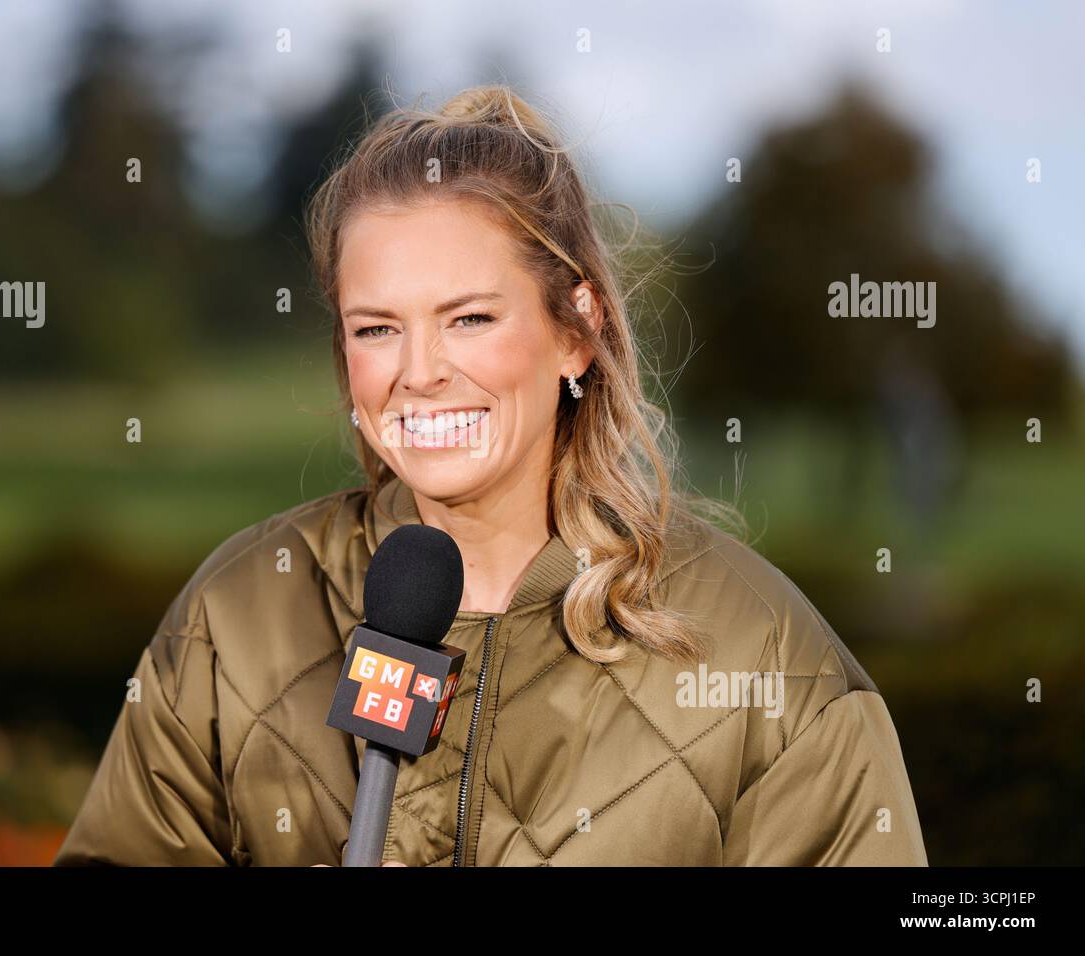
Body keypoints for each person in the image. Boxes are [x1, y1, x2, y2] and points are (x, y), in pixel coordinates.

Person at [53, 86, 927, 867]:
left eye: (469, 318)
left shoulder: (767, 659)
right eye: (376, 329)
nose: (420, 371)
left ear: (576, 329)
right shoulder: (236, 615)